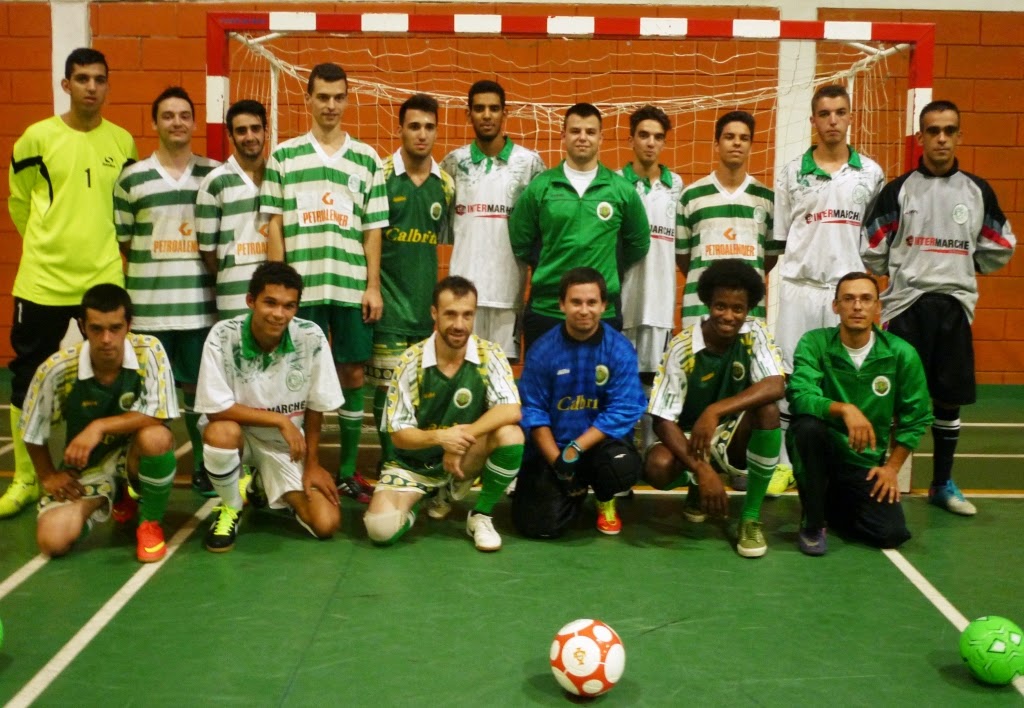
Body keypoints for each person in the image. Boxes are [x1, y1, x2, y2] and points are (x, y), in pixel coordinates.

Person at [862, 100, 1016, 517]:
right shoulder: (898, 190)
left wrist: (966, 266)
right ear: (922, 137)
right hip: (905, 307)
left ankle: (942, 483)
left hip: (954, 306)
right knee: (892, 399)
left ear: (959, 136)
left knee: (947, 401)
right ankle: (879, 478)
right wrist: (903, 270)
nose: (941, 138)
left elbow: (1000, 245)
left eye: (949, 130)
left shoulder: (977, 191)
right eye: (933, 131)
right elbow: (872, 246)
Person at [3, 48, 138, 518]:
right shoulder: (36, 138)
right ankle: (26, 477)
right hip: (42, 281)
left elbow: (125, 211)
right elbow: (19, 203)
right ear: (66, 84)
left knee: (116, 376)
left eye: (100, 79)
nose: (91, 87)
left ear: (108, 85)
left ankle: (113, 474)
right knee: (27, 379)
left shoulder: (122, 143)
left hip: (102, 280)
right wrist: (49, 248)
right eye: (82, 79)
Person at [261, 62, 389, 504]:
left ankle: (349, 472)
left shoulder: (368, 158)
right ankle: (291, 467)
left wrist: (372, 286)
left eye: (339, 97)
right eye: (323, 97)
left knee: (353, 372)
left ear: (347, 100)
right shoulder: (284, 156)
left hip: (350, 286)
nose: (330, 105)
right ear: (308, 100)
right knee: (295, 379)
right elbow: (274, 225)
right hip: (302, 292)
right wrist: (276, 293)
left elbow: (373, 230)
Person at [773, 85, 886, 495]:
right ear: (813, 121)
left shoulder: (871, 174)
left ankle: (843, 460)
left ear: (850, 117)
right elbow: (782, 238)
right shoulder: (790, 173)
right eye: (824, 113)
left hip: (848, 295)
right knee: (791, 376)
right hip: (800, 290)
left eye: (840, 112)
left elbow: (876, 241)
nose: (833, 120)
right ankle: (785, 464)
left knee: (845, 378)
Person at [20, 284, 179, 562]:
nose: (107, 339)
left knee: (157, 437)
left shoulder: (149, 350)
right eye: (96, 329)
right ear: (82, 326)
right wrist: (47, 475)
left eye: (115, 328)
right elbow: (33, 429)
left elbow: (158, 412)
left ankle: (150, 522)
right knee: (52, 541)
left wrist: (99, 426)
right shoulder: (56, 369)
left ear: (129, 324)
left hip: (135, 455)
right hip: (88, 467)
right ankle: (114, 495)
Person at [365, 276, 523, 551]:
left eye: (467, 315)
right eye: (450, 314)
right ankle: (424, 497)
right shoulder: (410, 361)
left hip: (464, 456)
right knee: (380, 530)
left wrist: (457, 440)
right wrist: (440, 438)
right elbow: (399, 436)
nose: (459, 325)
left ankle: (480, 514)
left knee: (510, 434)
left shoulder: (490, 354)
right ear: (434, 313)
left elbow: (511, 409)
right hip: (413, 466)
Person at [195, 262, 344, 551]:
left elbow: (316, 405)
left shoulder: (311, 337)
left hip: (283, 448)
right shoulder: (223, 336)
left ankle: (261, 484)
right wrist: (281, 421)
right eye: (270, 303)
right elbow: (214, 408)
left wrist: (312, 464)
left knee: (326, 524)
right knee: (220, 433)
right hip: (239, 435)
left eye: (289, 306)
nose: (279, 314)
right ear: (251, 301)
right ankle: (231, 507)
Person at [114, 86, 219, 497]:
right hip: (150, 311)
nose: (176, 122)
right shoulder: (132, 178)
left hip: (198, 310)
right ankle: (141, 474)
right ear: (155, 123)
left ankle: (203, 469)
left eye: (183, 115)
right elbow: (125, 242)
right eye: (168, 116)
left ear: (194, 122)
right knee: (149, 400)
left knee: (197, 393)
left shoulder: (213, 174)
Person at [645, 260, 785, 558]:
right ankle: (697, 487)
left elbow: (775, 384)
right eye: (721, 306)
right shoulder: (683, 347)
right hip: (688, 437)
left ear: (749, 310)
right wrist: (701, 469)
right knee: (657, 467)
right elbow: (661, 419)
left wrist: (715, 411)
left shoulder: (754, 333)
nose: (729, 316)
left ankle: (749, 517)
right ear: (708, 302)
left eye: (738, 309)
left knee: (769, 411)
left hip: (731, 433)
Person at [787, 272, 932, 554]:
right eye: (849, 299)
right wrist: (844, 409)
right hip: (824, 454)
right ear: (835, 306)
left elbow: (916, 416)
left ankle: (831, 503)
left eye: (866, 299)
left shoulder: (902, 354)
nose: (857, 306)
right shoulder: (814, 343)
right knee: (806, 427)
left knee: (890, 534)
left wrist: (892, 468)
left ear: (878, 307)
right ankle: (813, 522)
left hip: (864, 463)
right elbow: (799, 395)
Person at [513, 268, 646, 539]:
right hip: (555, 448)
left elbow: (623, 410)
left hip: (599, 447)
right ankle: (571, 491)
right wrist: (559, 464)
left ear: (604, 306)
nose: (584, 310)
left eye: (591, 302)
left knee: (622, 466)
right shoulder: (542, 351)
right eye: (576, 302)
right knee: (539, 527)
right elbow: (533, 410)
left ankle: (605, 497)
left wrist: (576, 448)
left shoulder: (619, 349)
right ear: (562, 305)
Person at [508, 103, 650, 350]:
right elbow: (520, 241)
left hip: (600, 312)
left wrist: (609, 267)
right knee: (544, 387)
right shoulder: (541, 187)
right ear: (563, 136)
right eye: (575, 131)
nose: (582, 137)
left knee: (598, 388)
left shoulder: (621, 190)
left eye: (590, 132)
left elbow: (638, 243)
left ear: (601, 138)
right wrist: (549, 266)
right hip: (547, 309)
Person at [368, 94, 454, 468]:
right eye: (414, 126)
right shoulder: (380, 178)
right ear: (400, 129)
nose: (422, 134)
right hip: (387, 306)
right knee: (387, 390)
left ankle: (413, 460)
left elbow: (443, 241)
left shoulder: (446, 186)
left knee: (418, 391)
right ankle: (389, 462)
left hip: (425, 309)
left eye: (429, 127)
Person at [440, 80, 545, 360]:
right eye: (479, 108)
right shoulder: (452, 163)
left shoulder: (530, 164)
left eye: (494, 108)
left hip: (507, 294)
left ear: (505, 113)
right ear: (468, 114)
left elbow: (540, 231)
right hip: (461, 296)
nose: (487, 115)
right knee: (462, 372)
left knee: (502, 375)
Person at [676, 111, 780, 328]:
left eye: (744, 138)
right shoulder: (691, 196)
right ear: (716, 144)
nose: (737, 143)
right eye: (729, 137)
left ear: (751, 146)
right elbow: (684, 259)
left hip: (751, 317)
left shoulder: (767, 199)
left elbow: (767, 259)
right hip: (699, 315)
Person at [617, 105, 685, 387]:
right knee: (618, 379)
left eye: (657, 137)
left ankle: (648, 435)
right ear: (631, 140)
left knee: (652, 381)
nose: (650, 142)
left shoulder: (677, 185)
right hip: (622, 300)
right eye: (644, 135)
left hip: (660, 302)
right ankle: (618, 434)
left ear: (664, 142)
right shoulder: (615, 182)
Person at [196, 99, 269, 320]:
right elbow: (208, 252)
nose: (249, 137)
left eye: (255, 129)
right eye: (241, 130)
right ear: (230, 135)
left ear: (266, 131)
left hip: (276, 295)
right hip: (233, 297)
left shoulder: (279, 176)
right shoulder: (214, 183)